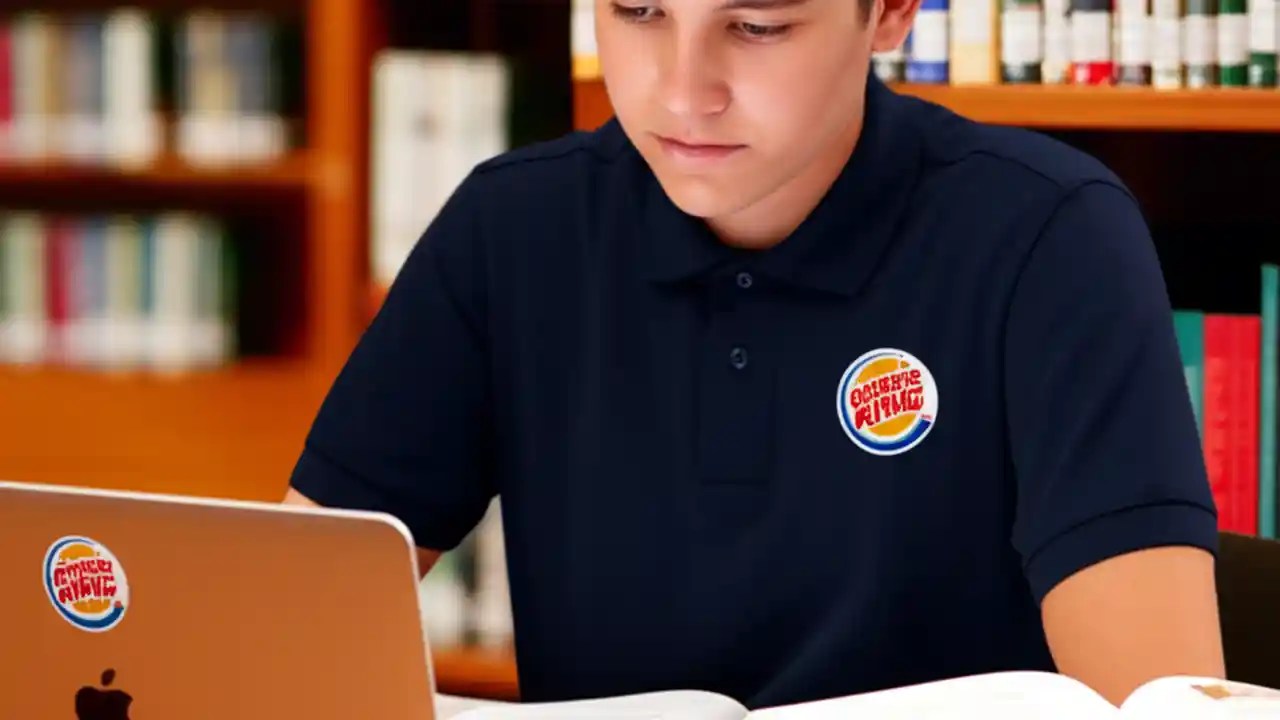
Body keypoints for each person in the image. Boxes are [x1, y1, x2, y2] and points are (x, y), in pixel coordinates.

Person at [285, 0, 1226, 710]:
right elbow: (278, 622)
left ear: (891, 12)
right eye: (639, 11)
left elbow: (1152, 700)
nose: (683, 90)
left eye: (759, 25)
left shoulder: (1051, 236)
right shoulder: (509, 230)